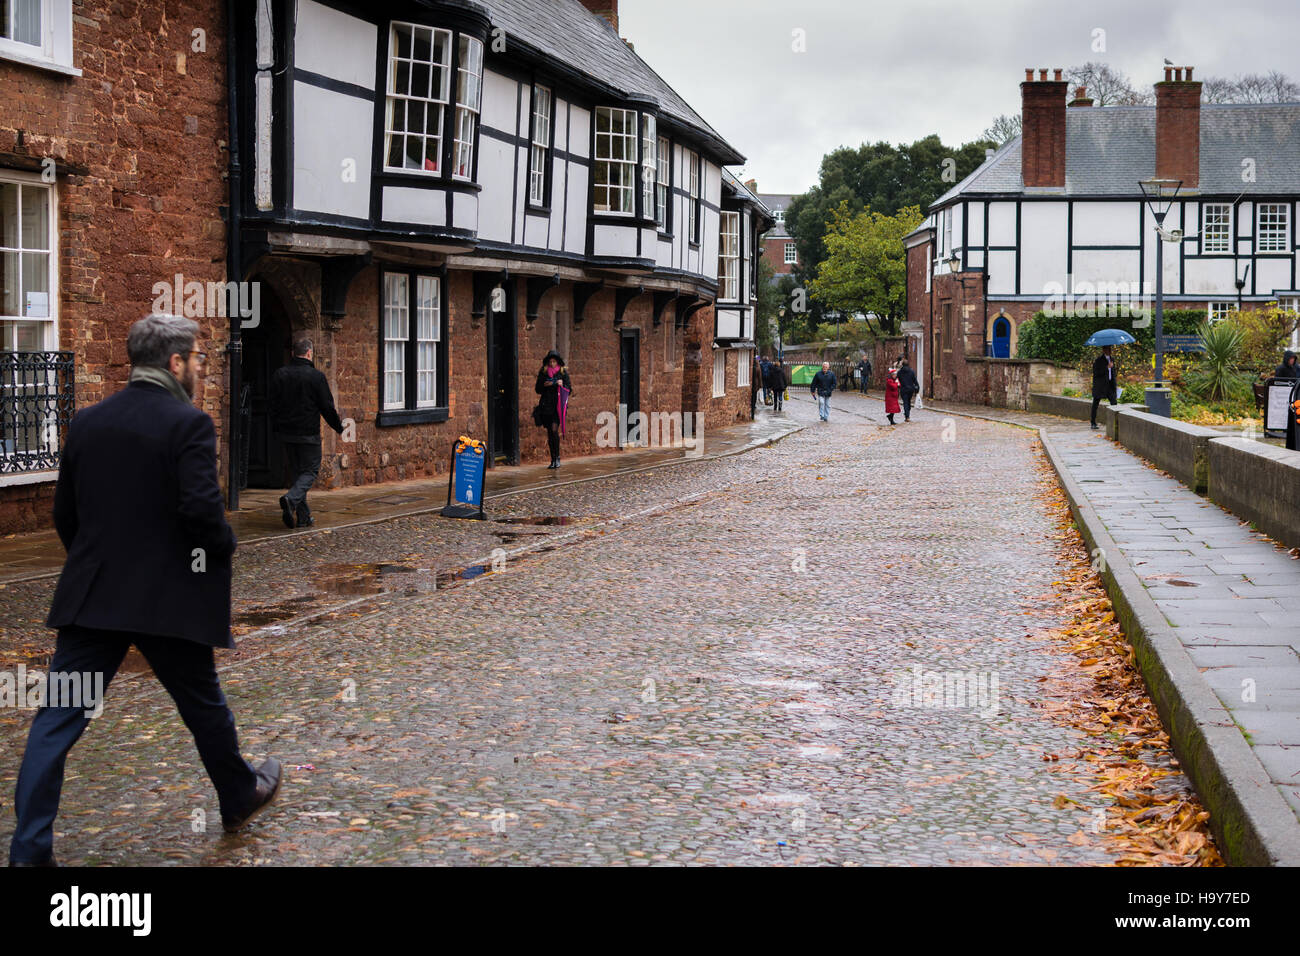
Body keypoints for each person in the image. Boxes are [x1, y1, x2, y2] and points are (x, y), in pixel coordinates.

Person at [8, 314, 282, 867]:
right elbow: (202, 513)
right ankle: (238, 795)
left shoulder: (87, 421)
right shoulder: (188, 425)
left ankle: (28, 852)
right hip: (169, 601)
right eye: (199, 360)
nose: (203, 371)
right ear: (175, 363)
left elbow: (67, 515)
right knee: (204, 706)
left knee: (56, 723)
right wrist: (222, 549)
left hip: (96, 600)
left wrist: (97, 565)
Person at [270, 338, 345, 528]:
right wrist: (339, 427)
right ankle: (290, 498)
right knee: (310, 471)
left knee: (297, 475)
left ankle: (303, 517)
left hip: (287, 433)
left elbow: (273, 405)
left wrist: (276, 428)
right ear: (310, 353)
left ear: (293, 353)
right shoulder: (316, 376)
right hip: (308, 434)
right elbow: (327, 407)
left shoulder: (280, 374)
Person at [534, 350, 572, 468]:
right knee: (550, 432)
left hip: (558, 406)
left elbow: (569, 389)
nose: (552, 364)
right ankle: (552, 459)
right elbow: (537, 389)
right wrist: (545, 385)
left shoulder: (562, 372)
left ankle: (558, 457)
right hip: (546, 406)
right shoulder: (544, 372)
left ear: (557, 362)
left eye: (554, 361)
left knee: (554, 430)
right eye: (550, 362)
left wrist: (562, 384)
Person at [1090, 344, 1118, 430]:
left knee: (1114, 403)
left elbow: (1113, 373)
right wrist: (1107, 367)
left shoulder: (1112, 359)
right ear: (1104, 350)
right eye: (1108, 349)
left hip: (1109, 385)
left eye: (1110, 349)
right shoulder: (1098, 360)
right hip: (1100, 386)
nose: (1110, 351)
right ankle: (1093, 422)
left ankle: (1116, 423)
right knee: (1095, 403)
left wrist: (1115, 384)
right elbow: (1096, 373)